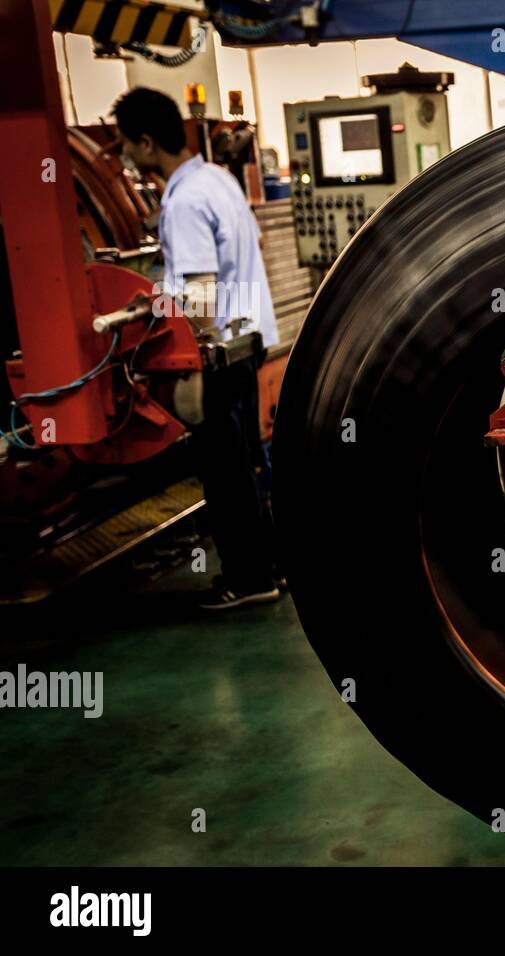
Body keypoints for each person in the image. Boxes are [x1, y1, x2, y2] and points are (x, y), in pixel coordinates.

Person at [113, 87, 281, 610]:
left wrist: (180, 340)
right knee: (249, 465)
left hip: (214, 353)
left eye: (124, 145)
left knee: (225, 474)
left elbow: (202, 289)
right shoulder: (218, 178)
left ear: (146, 143)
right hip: (247, 337)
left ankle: (249, 579)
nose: (123, 156)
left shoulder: (183, 200)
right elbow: (250, 246)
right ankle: (270, 567)